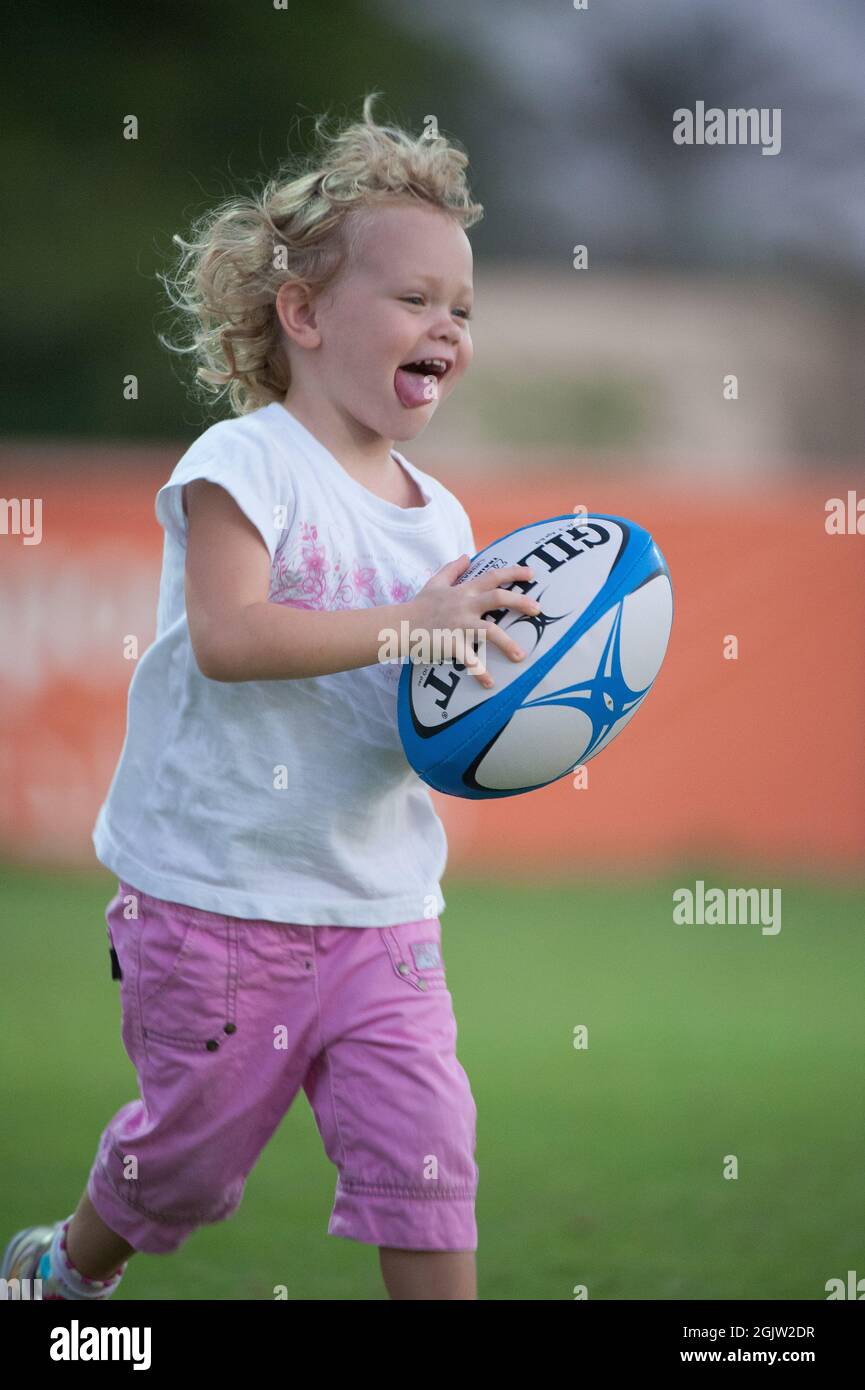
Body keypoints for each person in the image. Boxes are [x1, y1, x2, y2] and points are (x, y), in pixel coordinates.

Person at [1, 91, 538, 1302]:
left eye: (460, 308)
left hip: (383, 912)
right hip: (217, 902)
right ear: (302, 312)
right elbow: (235, 640)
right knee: (181, 1169)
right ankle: (62, 1275)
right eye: (412, 298)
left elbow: (420, 695)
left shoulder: (442, 516)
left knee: (426, 1156)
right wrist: (416, 625)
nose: (444, 326)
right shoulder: (242, 463)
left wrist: (493, 689)